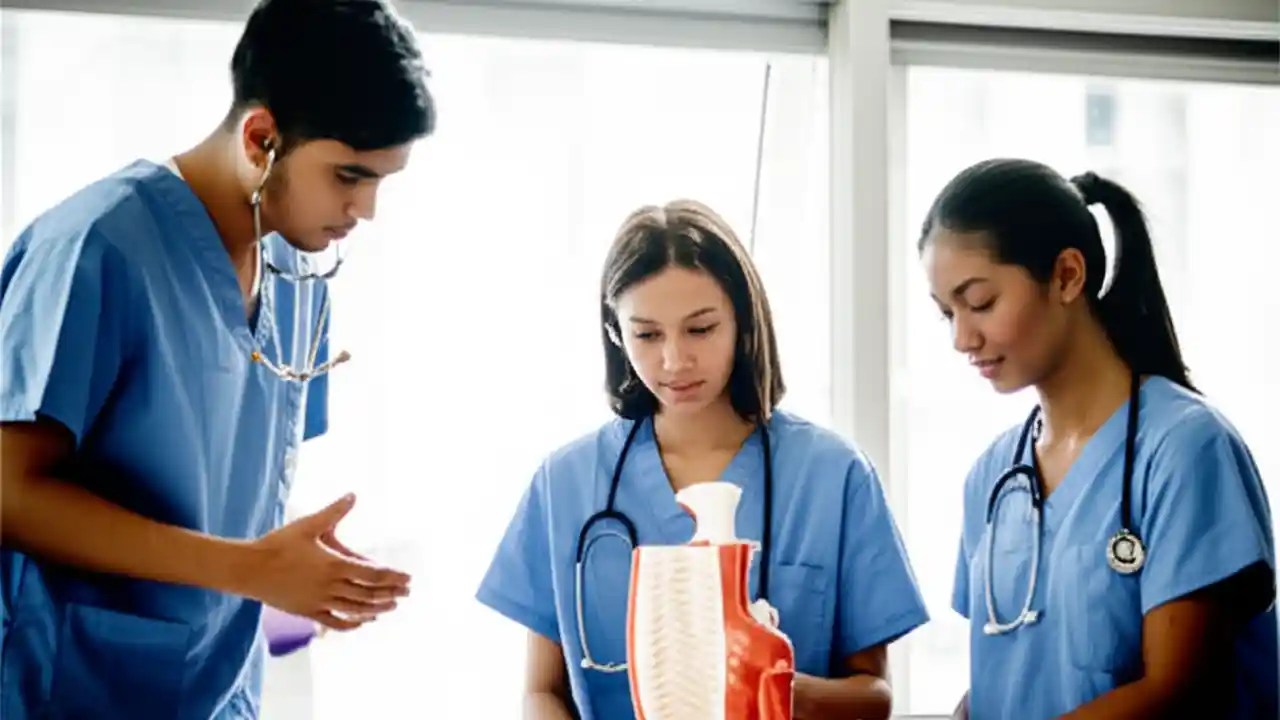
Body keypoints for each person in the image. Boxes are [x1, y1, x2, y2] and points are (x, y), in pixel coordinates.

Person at [0, 1, 436, 717]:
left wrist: (303, 572)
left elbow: (226, 483)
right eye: (350, 177)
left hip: (216, 688)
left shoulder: (297, 271)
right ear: (262, 139)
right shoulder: (97, 246)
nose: (366, 210)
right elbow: (8, 494)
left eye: (382, 182)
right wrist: (253, 569)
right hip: (64, 687)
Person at [476, 200, 929, 720]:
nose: (675, 360)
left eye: (700, 329)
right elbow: (542, 692)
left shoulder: (833, 475)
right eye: (647, 334)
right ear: (615, 333)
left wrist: (769, 686)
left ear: (742, 321)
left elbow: (873, 696)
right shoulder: (565, 484)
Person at [920, 158, 1278, 720]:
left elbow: (1176, 692)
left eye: (981, 303)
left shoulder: (1185, 450)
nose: (963, 338)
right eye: (947, 314)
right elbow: (1006, 677)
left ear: (1067, 276)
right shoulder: (992, 477)